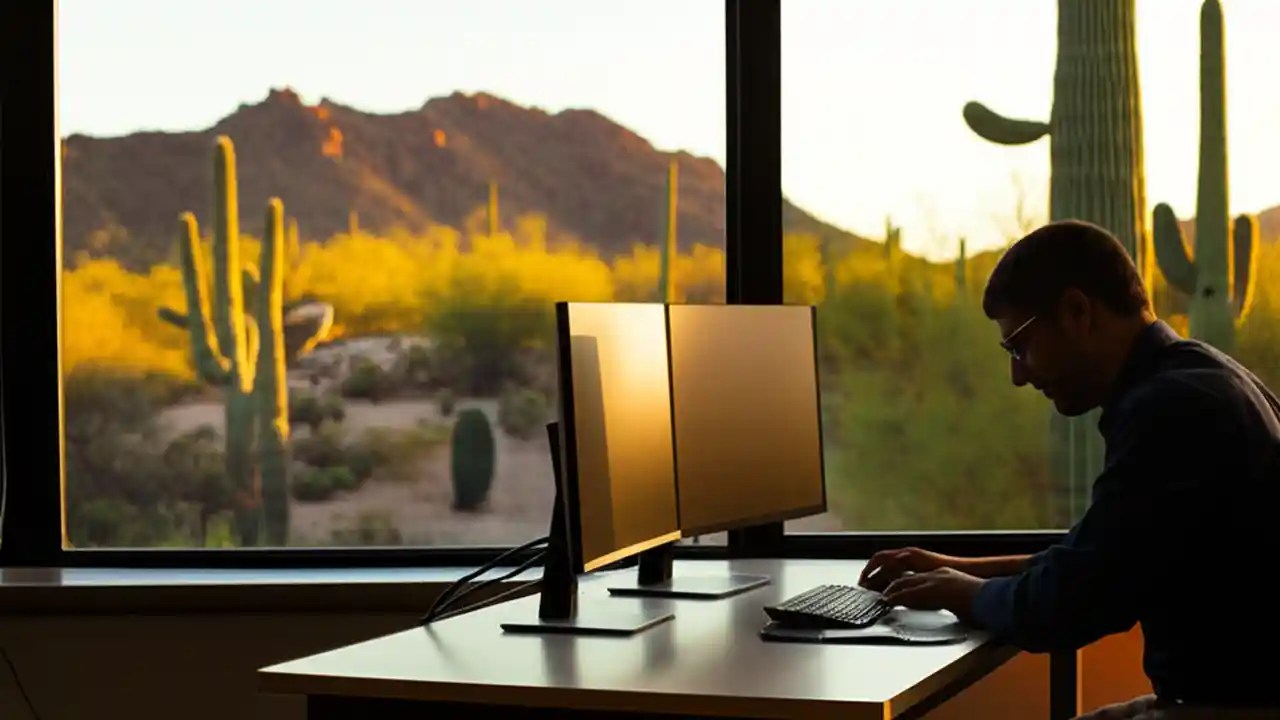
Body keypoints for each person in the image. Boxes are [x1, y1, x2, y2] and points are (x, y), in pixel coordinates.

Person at [858, 220, 1280, 718]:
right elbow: (1098, 555)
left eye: (1019, 347)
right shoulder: (1202, 375)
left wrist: (965, 594)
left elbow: (1066, 605)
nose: (1017, 375)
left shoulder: (1169, 411)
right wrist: (960, 569)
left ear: (1077, 312)